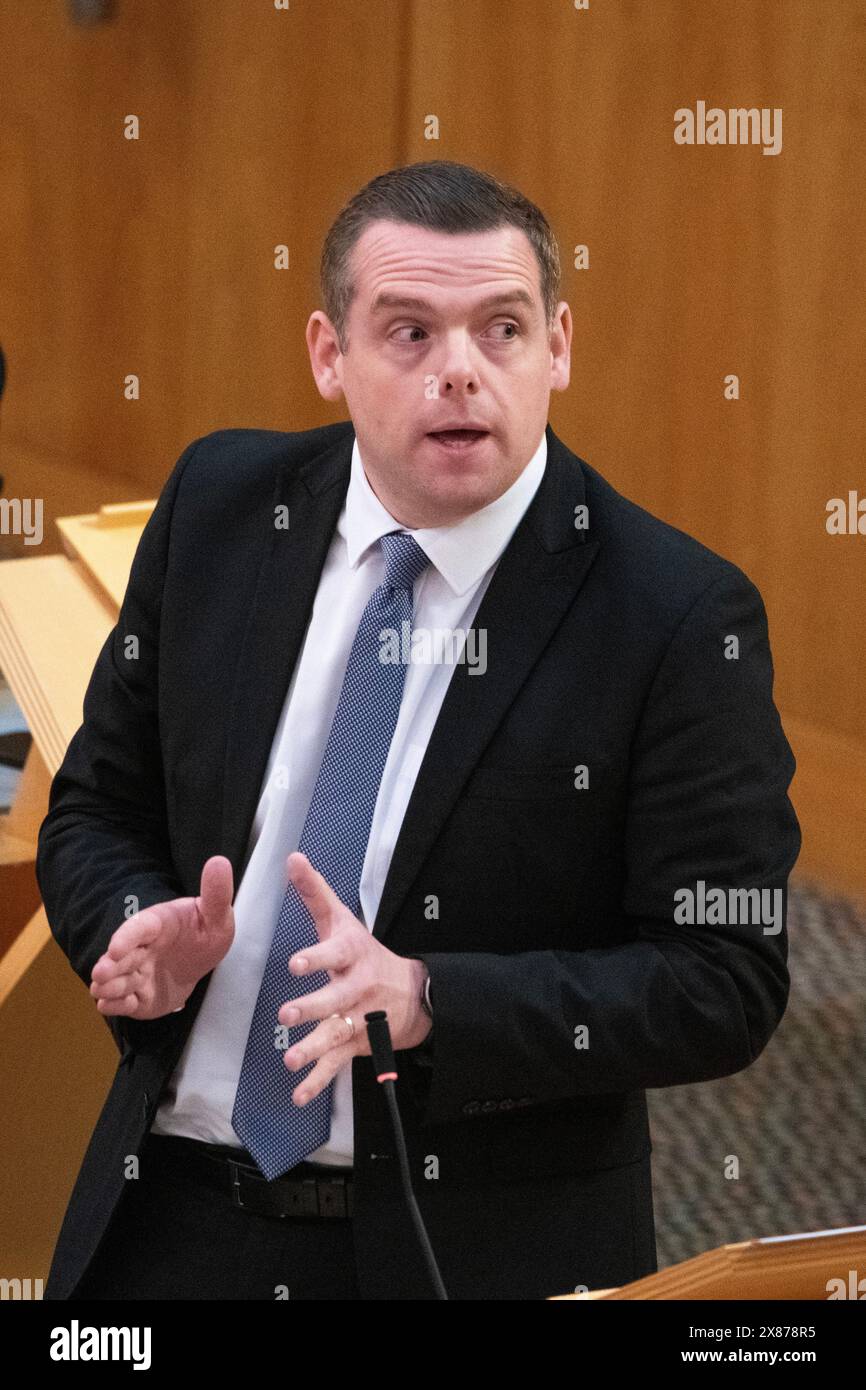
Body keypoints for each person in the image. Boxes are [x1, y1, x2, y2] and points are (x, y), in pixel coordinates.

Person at [37, 159, 800, 1301]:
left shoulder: (674, 617)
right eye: (408, 332)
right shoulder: (222, 508)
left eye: (501, 329)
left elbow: (722, 977)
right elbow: (97, 805)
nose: (460, 373)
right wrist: (133, 918)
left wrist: (432, 998)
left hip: (461, 1249)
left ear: (559, 347)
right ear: (326, 353)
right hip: (172, 1213)